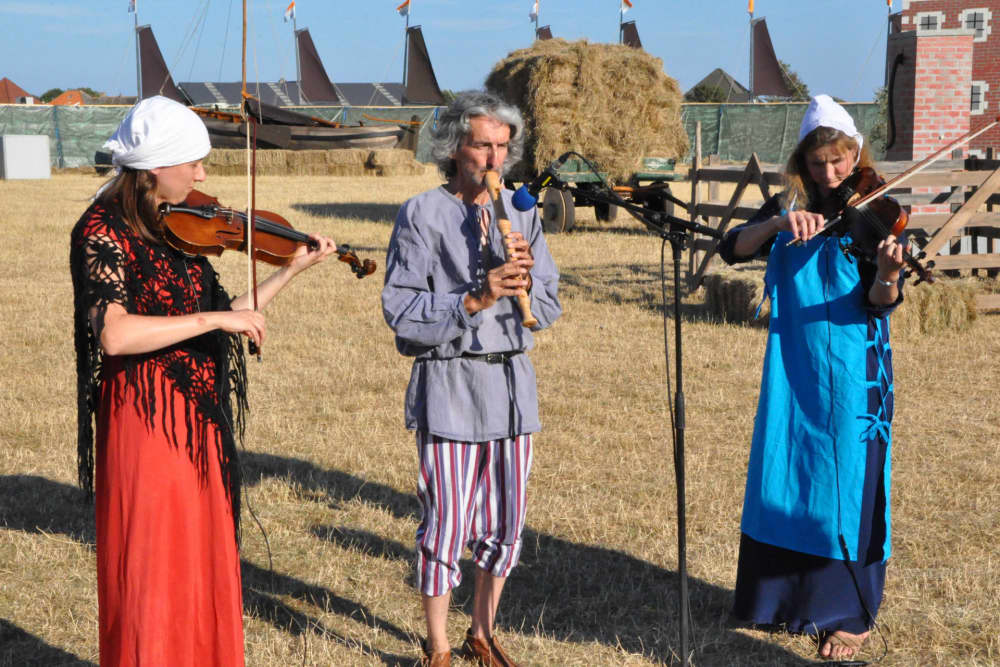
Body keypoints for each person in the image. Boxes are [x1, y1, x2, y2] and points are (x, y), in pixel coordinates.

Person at [70, 95, 336, 666]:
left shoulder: (175, 228)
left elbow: (226, 313)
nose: (201, 175)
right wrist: (213, 320)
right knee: (153, 573)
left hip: (197, 419)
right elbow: (114, 334)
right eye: (192, 162)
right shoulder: (100, 230)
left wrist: (290, 271)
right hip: (145, 420)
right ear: (154, 167)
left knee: (198, 565)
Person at [718, 94, 907, 661]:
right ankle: (783, 601)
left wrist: (889, 274)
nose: (829, 174)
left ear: (856, 154)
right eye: (818, 163)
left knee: (847, 479)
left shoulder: (879, 209)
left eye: (839, 160)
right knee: (787, 472)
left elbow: (880, 302)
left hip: (854, 367)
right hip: (793, 363)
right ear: (802, 162)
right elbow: (731, 249)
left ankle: (849, 615)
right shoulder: (789, 203)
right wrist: (779, 222)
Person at [381, 90, 561, 667]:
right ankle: (438, 646)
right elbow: (402, 312)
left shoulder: (523, 213)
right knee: (447, 523)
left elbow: (550, 304)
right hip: (450, 384)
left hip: (511, 387)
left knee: (505, 525)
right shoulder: (420, 214)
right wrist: (476, 297)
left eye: (502, 147)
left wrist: (527, 286)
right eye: (482, 145)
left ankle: (482, 633)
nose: (493, 159)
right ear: (455, 147)